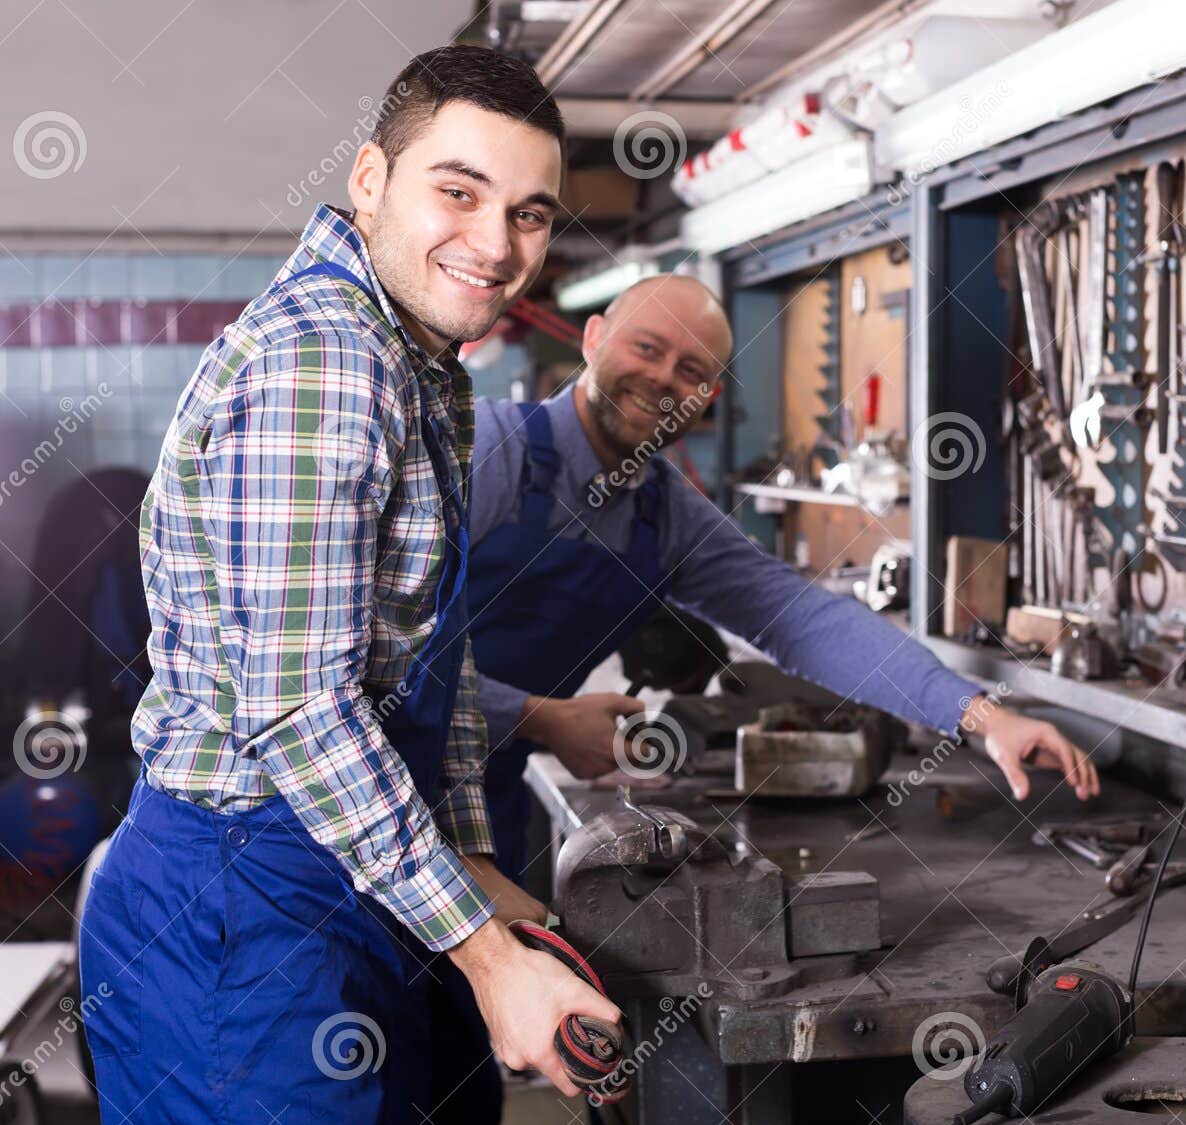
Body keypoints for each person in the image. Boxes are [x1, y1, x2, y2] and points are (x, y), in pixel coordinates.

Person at [79, 45, 615, 1125]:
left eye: (529, 213)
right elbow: (299, 709)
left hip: (356, 877)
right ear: (369, 181)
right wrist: (479, 949)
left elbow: (431, 662)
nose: (495, 244)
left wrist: (473, 876)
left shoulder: (418, 363)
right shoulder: (326, 362)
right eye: (457, 192)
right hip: (243, 916)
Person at [466, 275, 1102, 883]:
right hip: (381, 798)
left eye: (692, 371)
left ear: (709, 395)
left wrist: (983, 718)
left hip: (487, 806)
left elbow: (805, 621)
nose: (662, 378)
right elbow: (378, 655)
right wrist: (538, 719)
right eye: (646, 348)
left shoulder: (664, 515)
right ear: (594, 337)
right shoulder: (486, 451)